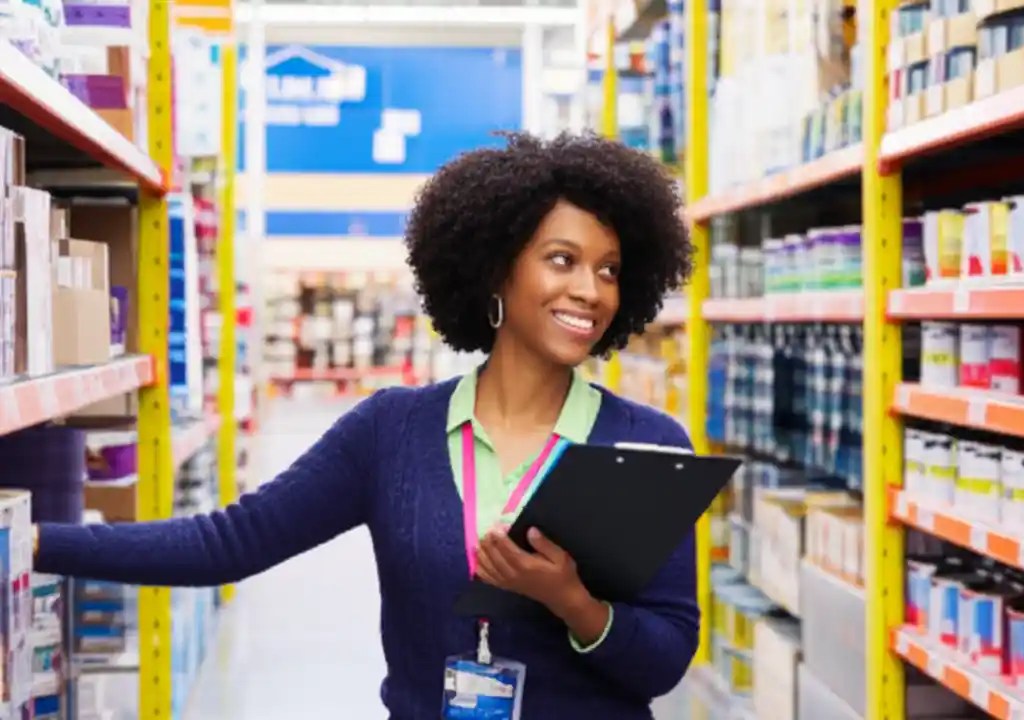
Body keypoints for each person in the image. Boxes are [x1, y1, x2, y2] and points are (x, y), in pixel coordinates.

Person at [35, 131, 696, 719]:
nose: (591, 290)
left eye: (609, 270)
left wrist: (572, 601)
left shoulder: (648, 445)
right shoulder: (393, 433)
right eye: (562, 260)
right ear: (495, 266)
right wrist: (31, 544)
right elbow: (227, 543)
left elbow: (664, 660)